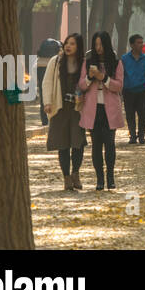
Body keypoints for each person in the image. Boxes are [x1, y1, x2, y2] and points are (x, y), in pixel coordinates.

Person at [79, 31, 124, 191]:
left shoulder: (116, 63)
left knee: (110, 144)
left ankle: (110, 177)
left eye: (101, 44)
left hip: (110, 109)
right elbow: (82, 86)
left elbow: (118, 86)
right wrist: (91, 77)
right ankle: (100, 180)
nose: (98, 48)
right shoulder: (88, 62)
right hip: (93, 109)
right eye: (95, 44)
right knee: (96, 145)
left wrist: (103, 77)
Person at [42, 34, 87, 190]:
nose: (68, 46)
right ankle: (66, 177)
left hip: (77, 109)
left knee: (78, 143)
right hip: (60, 107)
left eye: (72, 44)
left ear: (78, 46)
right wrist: (47, 102)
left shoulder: (83, 63)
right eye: (67, 43)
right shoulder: (55, 62)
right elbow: (47, 82)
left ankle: (76, 173)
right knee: (63, 145)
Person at [120, 34, 145, 144]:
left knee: (142, 114)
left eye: (142, 42)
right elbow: (121, 75)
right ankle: (132, 135)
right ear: (132, 45)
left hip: (142, 91)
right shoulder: (124, 59)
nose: (141, 45)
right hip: (128, 91)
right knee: (130, 114)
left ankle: (141, 135)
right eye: (138, 42)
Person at [36, 38, 61, 127]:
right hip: (50, 68)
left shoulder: (40, 57)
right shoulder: (55, 59)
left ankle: (44, 121)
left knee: (43, 96)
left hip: (40, 67)